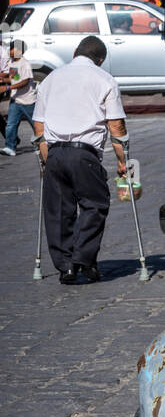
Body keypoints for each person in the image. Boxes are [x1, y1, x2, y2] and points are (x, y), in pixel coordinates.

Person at [32, 35, 128, 285]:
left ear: (75, 52)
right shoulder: (104, 79)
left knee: (58, 211)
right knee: (95, 205)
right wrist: (122, 160)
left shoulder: (51, 79)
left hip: (54, 152)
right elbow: (116, 124)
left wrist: (46, 159)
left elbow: (39, 125)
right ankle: (81, 259)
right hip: (83, 153)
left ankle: (66, 267)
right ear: (101, 60)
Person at [1, 40, 38, 156]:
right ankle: (10, 147)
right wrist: (2, 80)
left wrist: (8, 88)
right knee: (11, 124)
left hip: (27, 101)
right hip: (15, 100)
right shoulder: (12, 63)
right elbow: (15, 78)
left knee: (35, 125)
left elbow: (25, 82)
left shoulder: (25, 64)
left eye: (13, 49)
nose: (10, 52)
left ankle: (41, 144)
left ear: (20, 51)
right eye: (10, 49)